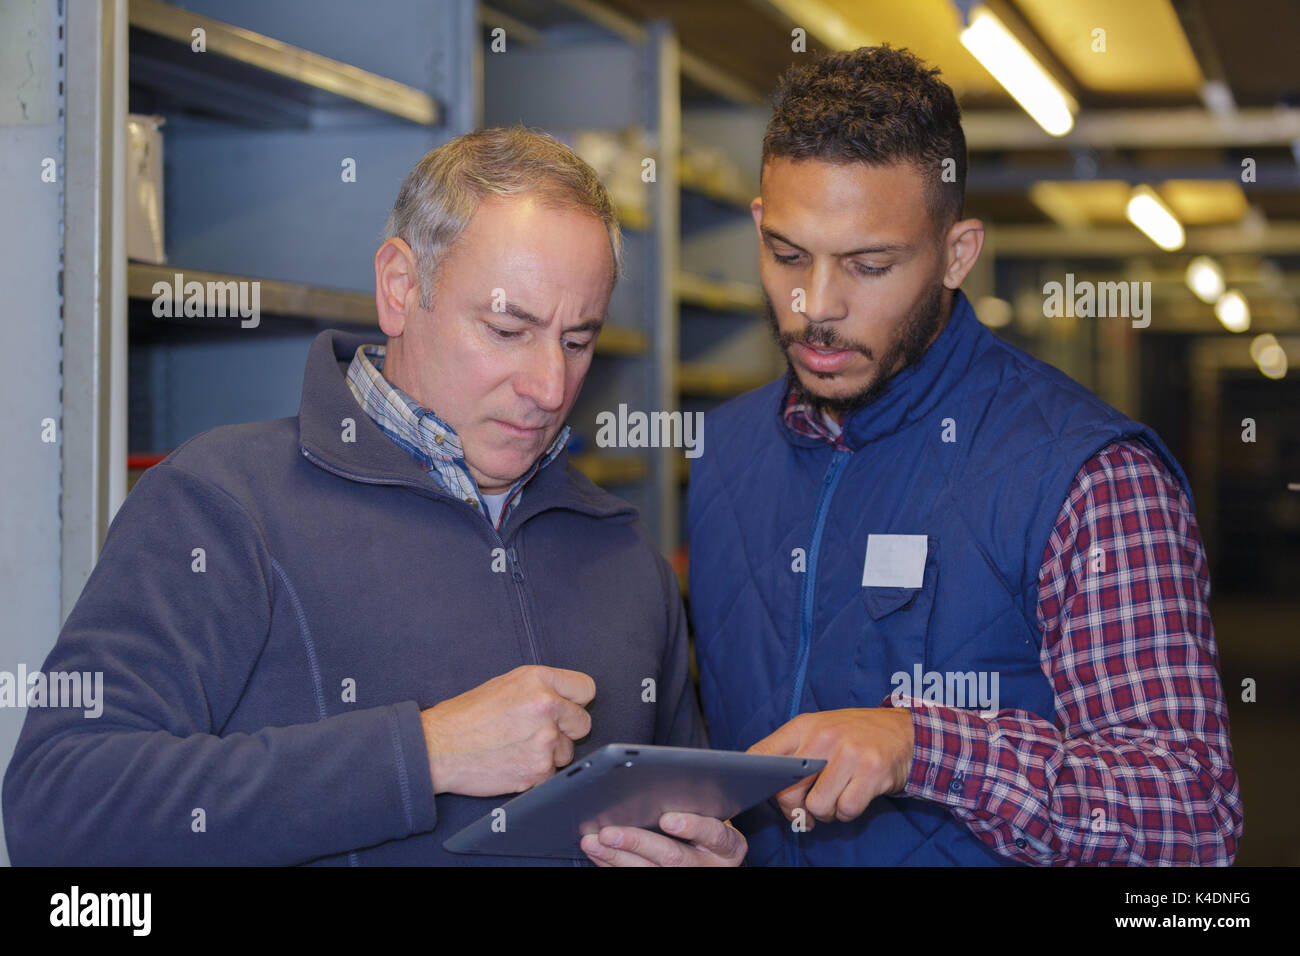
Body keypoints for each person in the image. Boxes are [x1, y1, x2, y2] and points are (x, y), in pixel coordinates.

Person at [3, 127, 744, 867]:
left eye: (578, 340)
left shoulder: (622, 549)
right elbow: (57, 805)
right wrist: (422, 754)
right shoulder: (223, 505)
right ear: (399, 287)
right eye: (507, 328)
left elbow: (677, 813)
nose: (550, 387)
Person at [687, 46, 1242, 865]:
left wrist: (925, 748)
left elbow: (1188, 820)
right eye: (788, 254)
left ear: (957, 253)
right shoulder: (726, 451)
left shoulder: (1093, 479)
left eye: (870, 264)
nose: (817, 307)